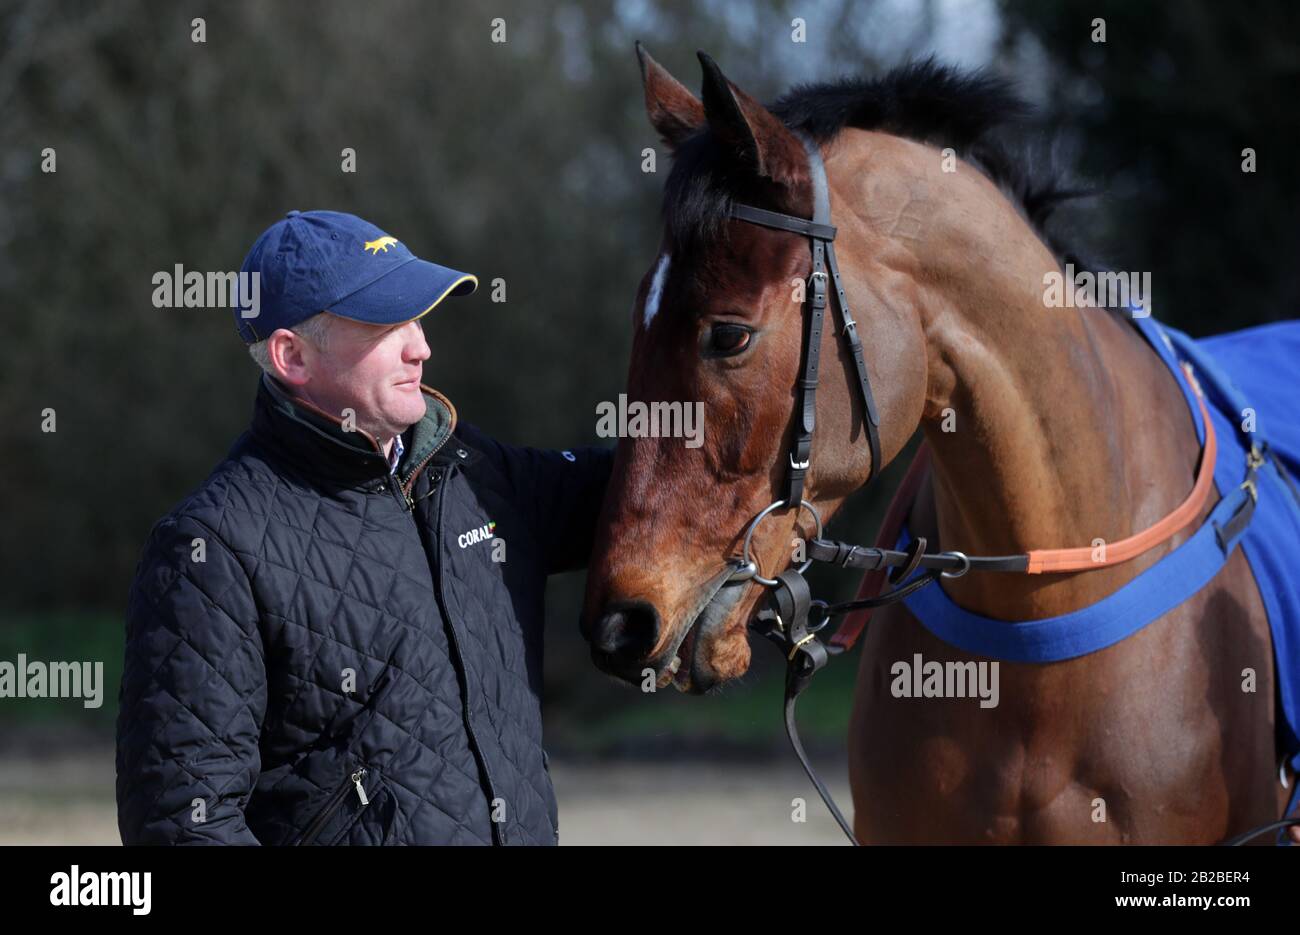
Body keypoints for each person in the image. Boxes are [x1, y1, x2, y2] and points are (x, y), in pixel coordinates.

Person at [115, 210, 612, 844]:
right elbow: (184, 824)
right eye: (386, 322)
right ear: (291, 355)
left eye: (418, 318)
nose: (421, 346)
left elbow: (661, 494)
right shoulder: (209, 550)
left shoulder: (478, 476)